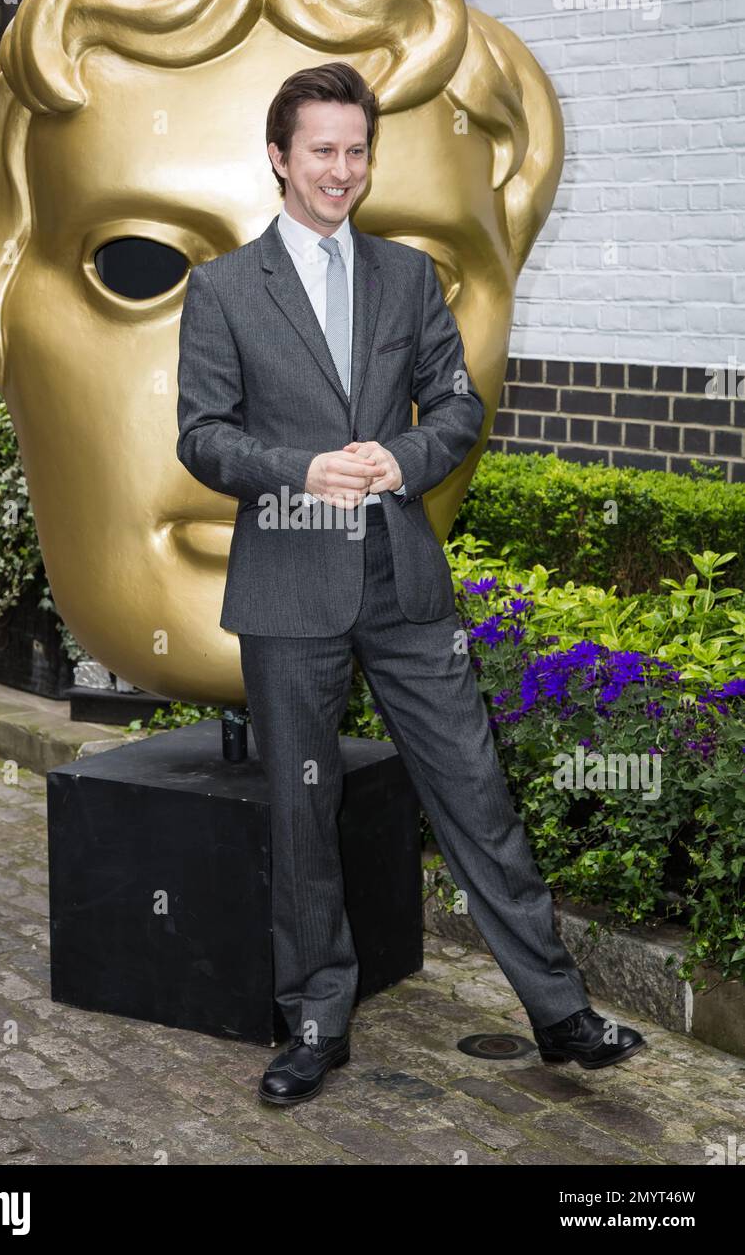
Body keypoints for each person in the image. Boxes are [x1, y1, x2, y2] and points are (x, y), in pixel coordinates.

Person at [176, 61, 646, 1106]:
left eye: (355, 149)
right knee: (304, 811)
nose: (341, 170)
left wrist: (405, 457)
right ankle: (312, 1023)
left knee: (474, 794)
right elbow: (202, 437)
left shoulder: (403, 274)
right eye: (320, 151)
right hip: (288, 585)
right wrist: (298, 469)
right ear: (277, 159)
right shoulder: (219, 289)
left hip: (401, 581)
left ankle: (558, 1012)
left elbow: (455, 403)